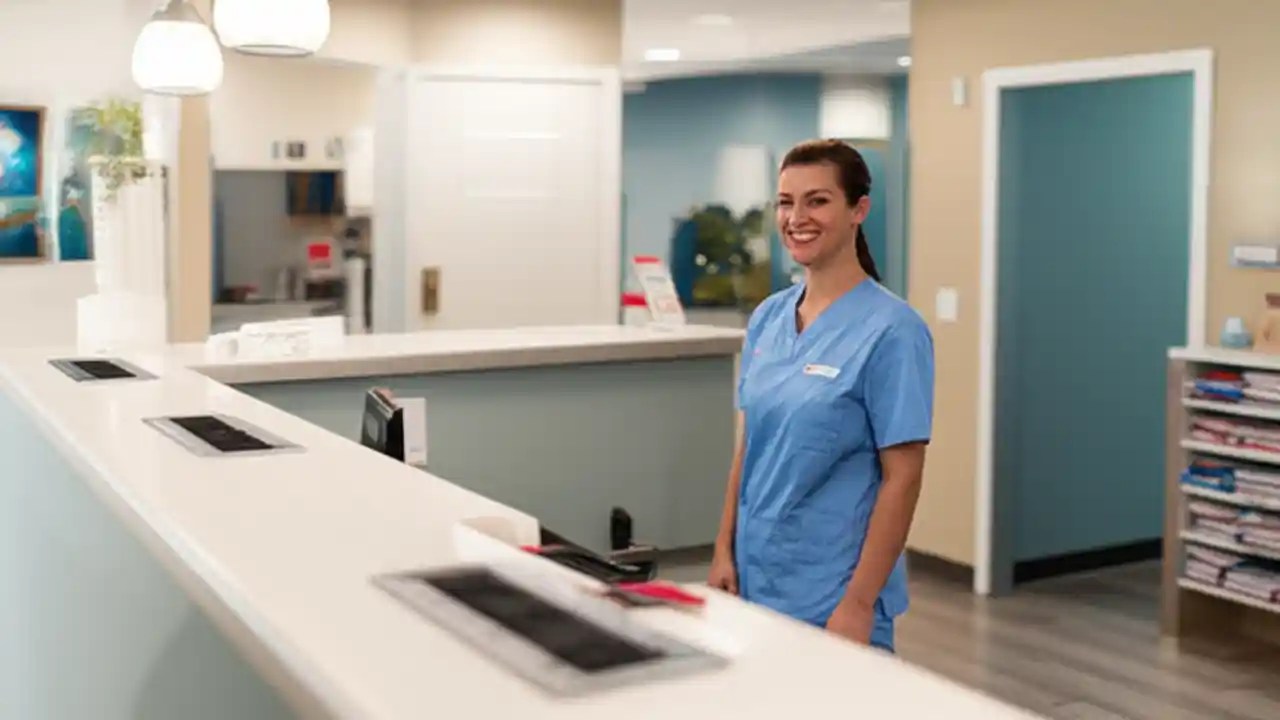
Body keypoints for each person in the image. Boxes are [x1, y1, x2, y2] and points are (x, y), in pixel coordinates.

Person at [708, 139, 934, 653]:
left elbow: (904, 477)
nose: (796, 217)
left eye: (818, 200)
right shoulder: (768, 317)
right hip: (755, 578)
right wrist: (724, 550)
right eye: (786, 202)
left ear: (859, 210)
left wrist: (857, 603)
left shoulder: (894, 330)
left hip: (833, 593)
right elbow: (750, 446)